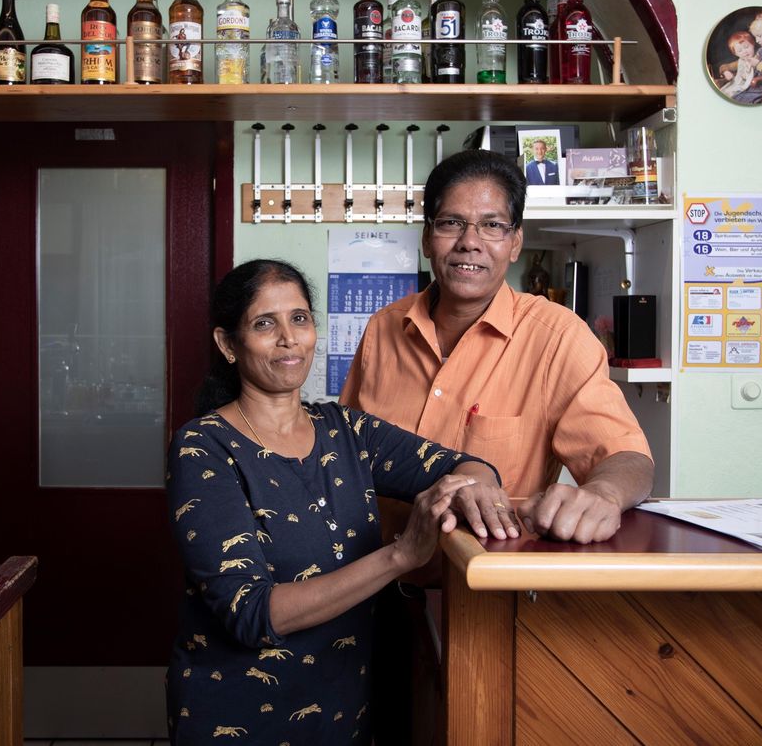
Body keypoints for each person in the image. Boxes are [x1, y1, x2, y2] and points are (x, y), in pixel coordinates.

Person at [164, 259, 512, 745]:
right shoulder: (204, 447)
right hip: (239, 715)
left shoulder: (345, 429)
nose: (289, 338)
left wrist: (474, 487)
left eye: (300, 319)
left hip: (341, 709)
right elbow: (253, 614)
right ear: (228, 344)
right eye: (265, 323)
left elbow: (460, 464)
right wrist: (401, 555)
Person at [342, 149, 654, 542]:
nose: (470, 242)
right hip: (375, 581)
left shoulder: (556, 338)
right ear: (426, 238)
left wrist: (603, 494)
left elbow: (626, 456)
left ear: (515, 242)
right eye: (452, 223)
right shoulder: (382, 328)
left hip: (489, 590)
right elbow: (343, 456)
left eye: (492, 225)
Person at [717, 30, 758, 98]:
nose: (744, 51)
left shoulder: (759, 57)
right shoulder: (740, 61)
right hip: (740, 85)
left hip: (753, 88)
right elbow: (723, 67)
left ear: (753, 44)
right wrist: (726, 72)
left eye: (746, 47)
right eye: (739, 50)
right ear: (735, 54)